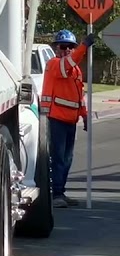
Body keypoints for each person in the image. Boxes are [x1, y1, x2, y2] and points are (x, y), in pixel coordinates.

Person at [39, 28, 91, 208]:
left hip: (71, 120)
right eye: (63, 46)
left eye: (70, 47)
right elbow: (67, 64)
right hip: (57, 119)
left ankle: (61, 192)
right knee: (58, 158)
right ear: (56, 48)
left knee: (67, 160)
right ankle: (57, 194)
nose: (66, 50)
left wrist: (84, 116)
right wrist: (83, 47)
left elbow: (79, 96)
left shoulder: (75, 70)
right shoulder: (54, 64)